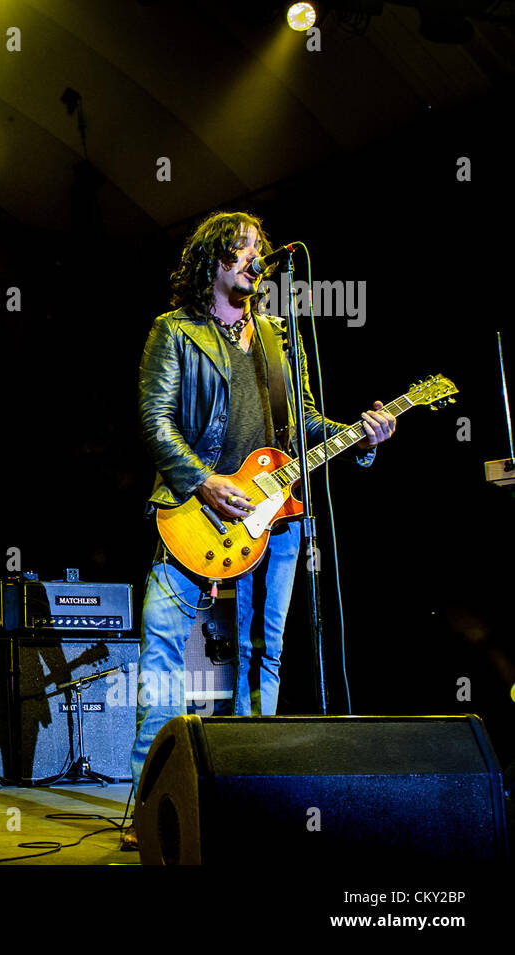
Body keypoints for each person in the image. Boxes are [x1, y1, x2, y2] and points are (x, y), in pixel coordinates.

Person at [123, 212, 396, 850]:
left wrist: (363, 439)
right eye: (240, 251)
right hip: (192, 515)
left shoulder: (277, 337)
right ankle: (146, 806)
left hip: (273, 518)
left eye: (257, 251)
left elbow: (299, 421)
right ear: (210, 263)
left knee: (263, 656)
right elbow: (155, 420)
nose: (253, 260)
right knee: (162, 658)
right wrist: (202, 481)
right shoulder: (177, 331)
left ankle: (247, 796)